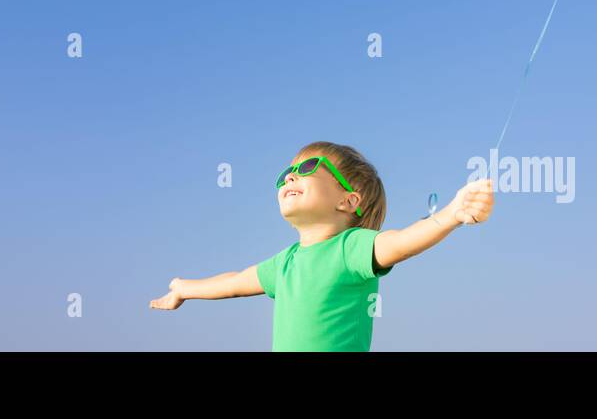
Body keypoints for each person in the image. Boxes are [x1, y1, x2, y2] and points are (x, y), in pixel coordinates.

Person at [149, 140, 495, 350]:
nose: (290, 175)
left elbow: (403, 242)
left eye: (308, 166)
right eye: (288, 171)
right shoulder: (285, 263)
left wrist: (453, 213)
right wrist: (185, 288)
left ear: (347, 200)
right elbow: (234, 281)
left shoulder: (351, 249)